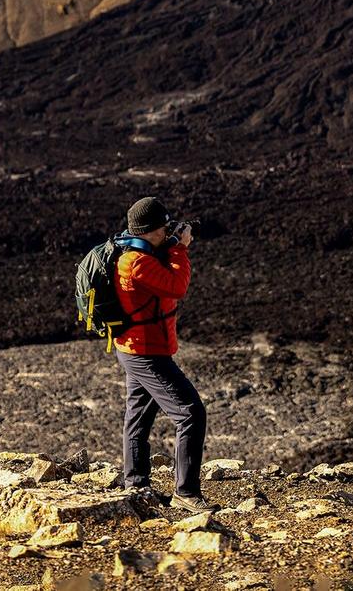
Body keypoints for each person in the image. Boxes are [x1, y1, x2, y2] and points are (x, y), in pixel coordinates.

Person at [110, 196, 210, 511]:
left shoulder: (140, 252)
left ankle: (137, 487)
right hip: (145, 353)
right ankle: (186, 493)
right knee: (190, 413)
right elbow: (176, 286)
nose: (168, 233)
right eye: (164, 229)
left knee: (138, 417)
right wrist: (180, 248)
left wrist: (171, 245)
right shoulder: (135, 262)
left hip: (138, 348)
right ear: (149, 231)